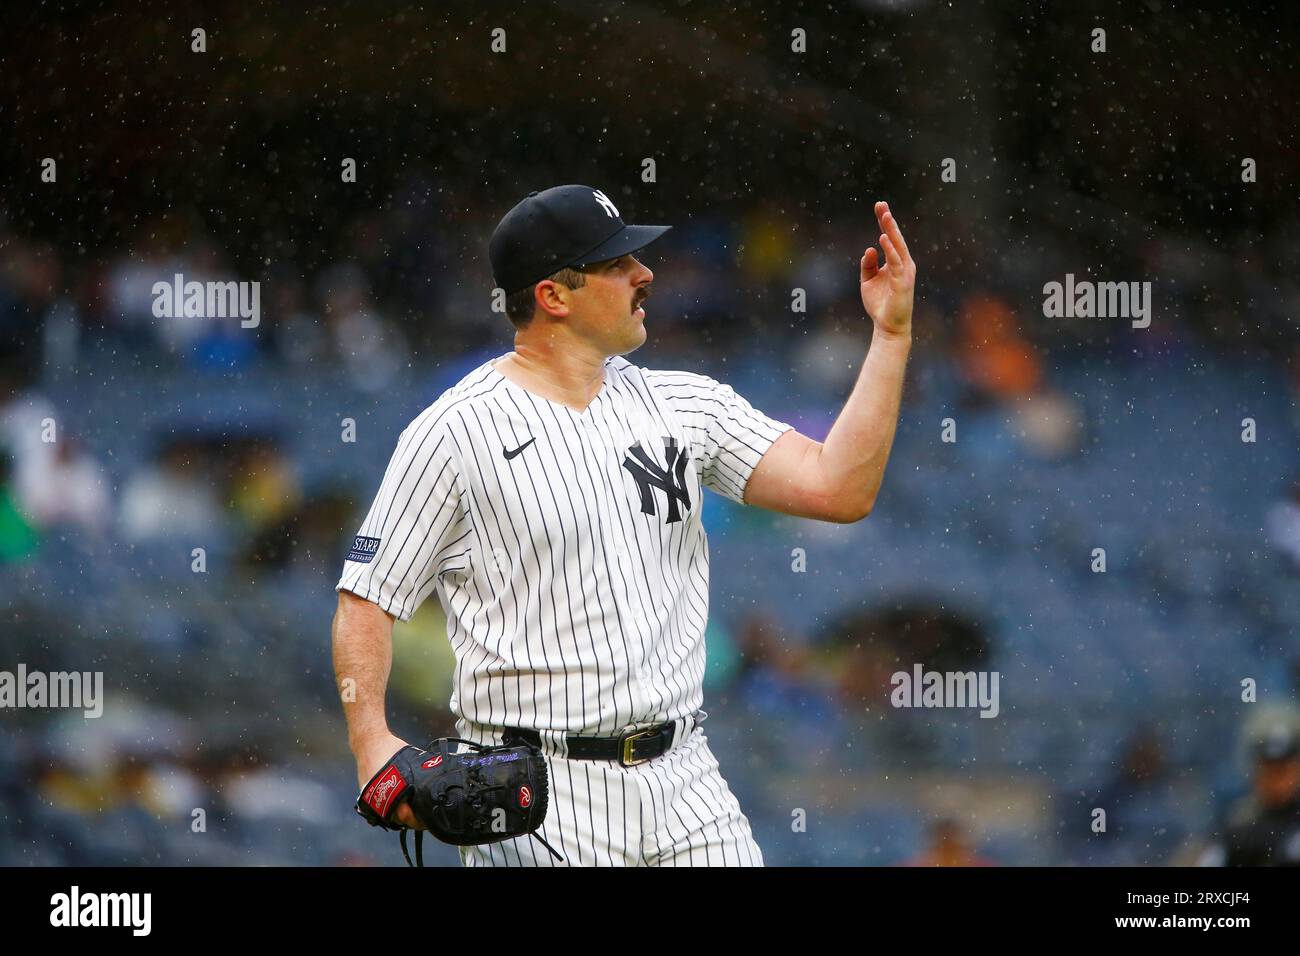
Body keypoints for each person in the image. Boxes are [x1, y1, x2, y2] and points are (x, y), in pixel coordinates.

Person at [331, 184, 916, 866]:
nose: (645, 273)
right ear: (554, 295)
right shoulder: (454, 433)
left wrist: (893, 335)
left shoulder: (685, 404)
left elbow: (839, 488)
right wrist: (372, 745)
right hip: (539, 794)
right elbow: (367, 598)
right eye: (616, 264)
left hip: (686, 777)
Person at [1199, 720, 1300, 867]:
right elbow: (1212, 858)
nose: (1274, 780)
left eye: (1282, 772)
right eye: (1267, 771)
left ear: (1296, 772)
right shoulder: (1240, 817)